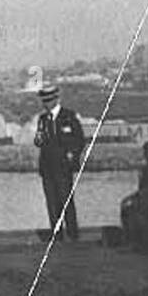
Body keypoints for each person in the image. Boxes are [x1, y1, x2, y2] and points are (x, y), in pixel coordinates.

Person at [33, 84, 85, 241]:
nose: (47, 104)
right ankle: (57, 235)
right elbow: (39, 141)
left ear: (56, 99)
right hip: (47, 167)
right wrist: (38, 139)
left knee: (66, 201)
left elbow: (79, 140)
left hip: (63, 167)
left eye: (49, 100)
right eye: (44, 101)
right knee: (52, 203)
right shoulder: (43, 119)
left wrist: (72, 155)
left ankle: (73, 234)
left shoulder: (68, 116)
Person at [120, 140, 148, 252]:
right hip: (146, 196)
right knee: (128, 206)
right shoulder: (147, 168)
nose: (146, 154)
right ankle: (132, 239)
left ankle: (138, 242)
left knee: (136, 210)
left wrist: (140, 195)